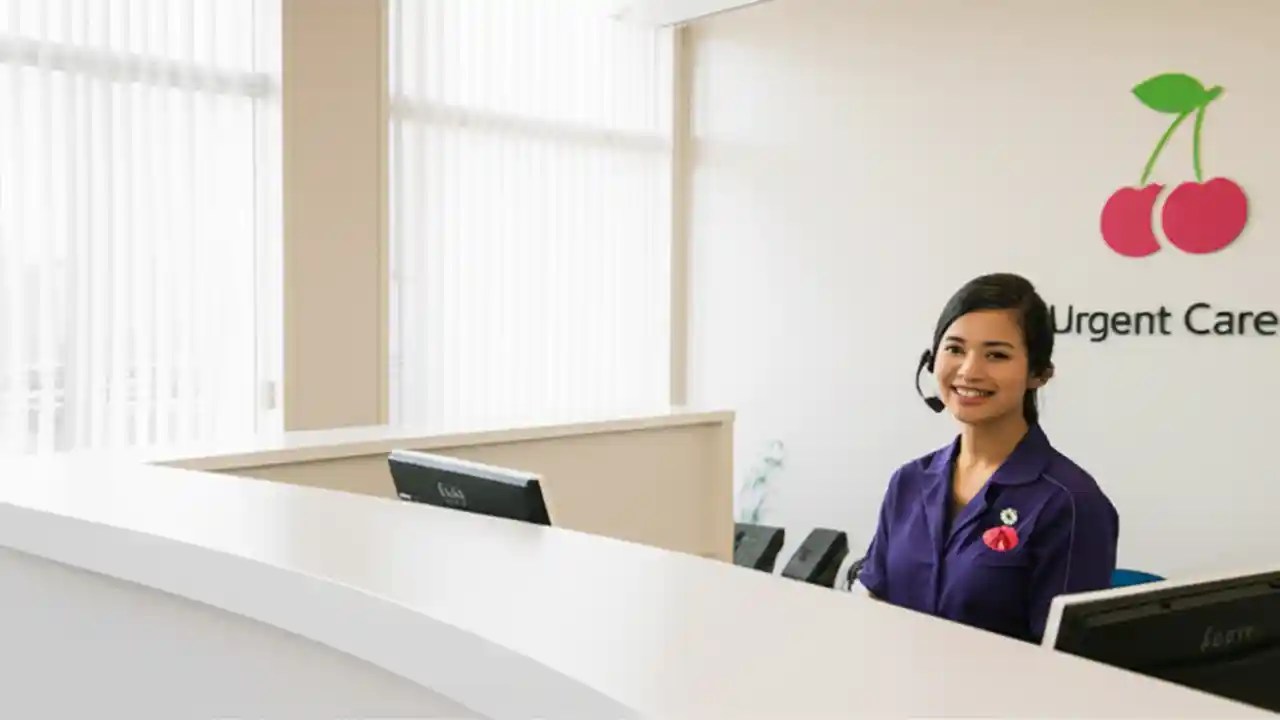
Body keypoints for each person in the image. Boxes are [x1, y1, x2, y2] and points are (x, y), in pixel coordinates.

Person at [857, 272, 1118, 643]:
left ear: (1039, 374)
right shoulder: (909, 482)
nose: (969, 371)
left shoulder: (1070, 502)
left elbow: (1069, 662)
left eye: (996, 354)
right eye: (955, 349)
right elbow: (875, 602)